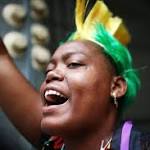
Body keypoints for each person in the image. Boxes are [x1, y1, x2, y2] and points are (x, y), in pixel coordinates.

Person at [0, 0, 150, 150]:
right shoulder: (56, 143)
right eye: (48, 70)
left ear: (116, 87)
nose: (52, 74)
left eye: (73, 64)